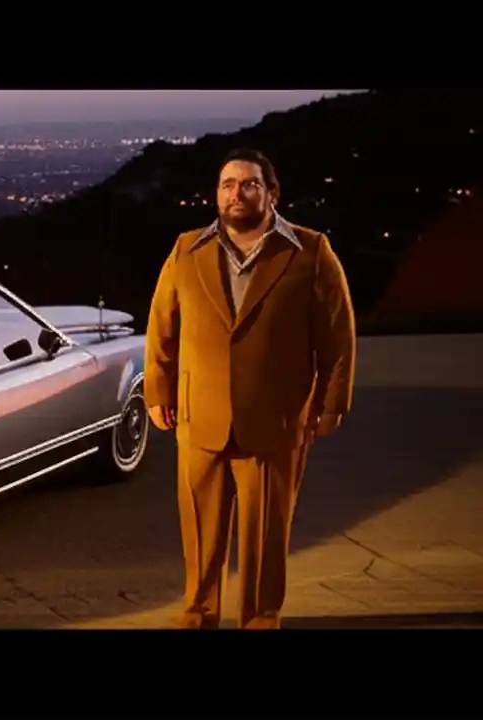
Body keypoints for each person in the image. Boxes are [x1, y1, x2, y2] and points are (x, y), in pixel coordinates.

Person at [143, 147, 356, 629]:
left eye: (248, 184)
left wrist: (332, 404)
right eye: (227, 185)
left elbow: (338, 336)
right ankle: (198, 613)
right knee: (199, 532)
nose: (236, 193)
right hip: (199, 418)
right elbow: (162, 328)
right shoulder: (186, 249)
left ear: (271, 192)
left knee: (266, 536)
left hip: (275, 420)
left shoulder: (310, 251)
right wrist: (157, 392)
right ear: (216, 195)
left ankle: (261, 618)